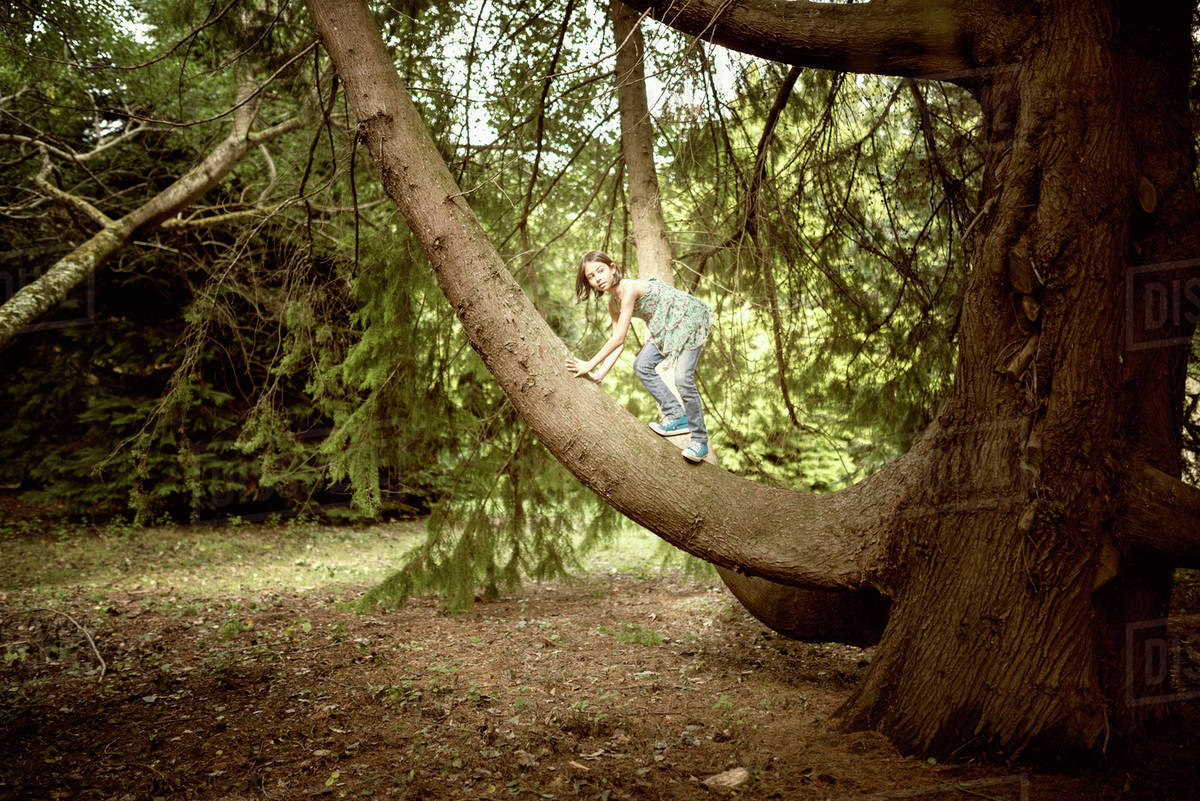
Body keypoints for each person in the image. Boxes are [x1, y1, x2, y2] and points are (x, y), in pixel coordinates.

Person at [565, 250, 713, 463]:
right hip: (664, 328)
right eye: (591, 276)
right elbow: (618, 342)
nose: (598, 278)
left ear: (612, 268)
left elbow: (618, 338)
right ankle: (677, 416)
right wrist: (599, 374)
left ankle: (700, 441)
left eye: (600, 271)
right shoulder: (613, 304)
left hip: (687, 318)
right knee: (641, 365)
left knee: (682, 378)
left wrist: (588, 364)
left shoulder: (630, 289)